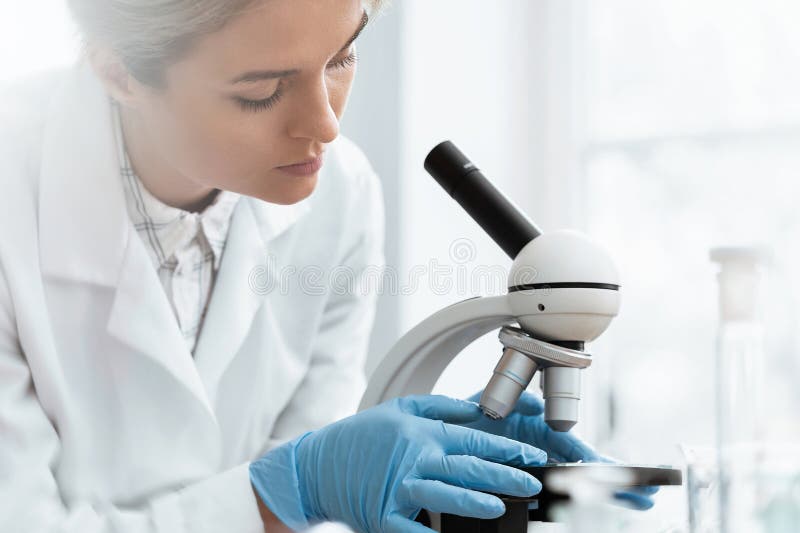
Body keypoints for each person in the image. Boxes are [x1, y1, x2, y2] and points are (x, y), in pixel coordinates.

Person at [0, 1, 656, 532]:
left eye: (342, 56)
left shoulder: (341, 197)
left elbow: (298, 506)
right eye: (260, 92)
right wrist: (297, 482)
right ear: (118, 74)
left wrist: (405, 456)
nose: (325, 125)